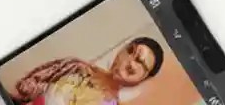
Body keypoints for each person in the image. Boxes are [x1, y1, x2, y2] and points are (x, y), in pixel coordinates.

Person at [9, 37, 166, 105]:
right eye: (130, 50)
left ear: (144, 78)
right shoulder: (74, 67)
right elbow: (27, 86)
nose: (130, 63)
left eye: (140, 62)